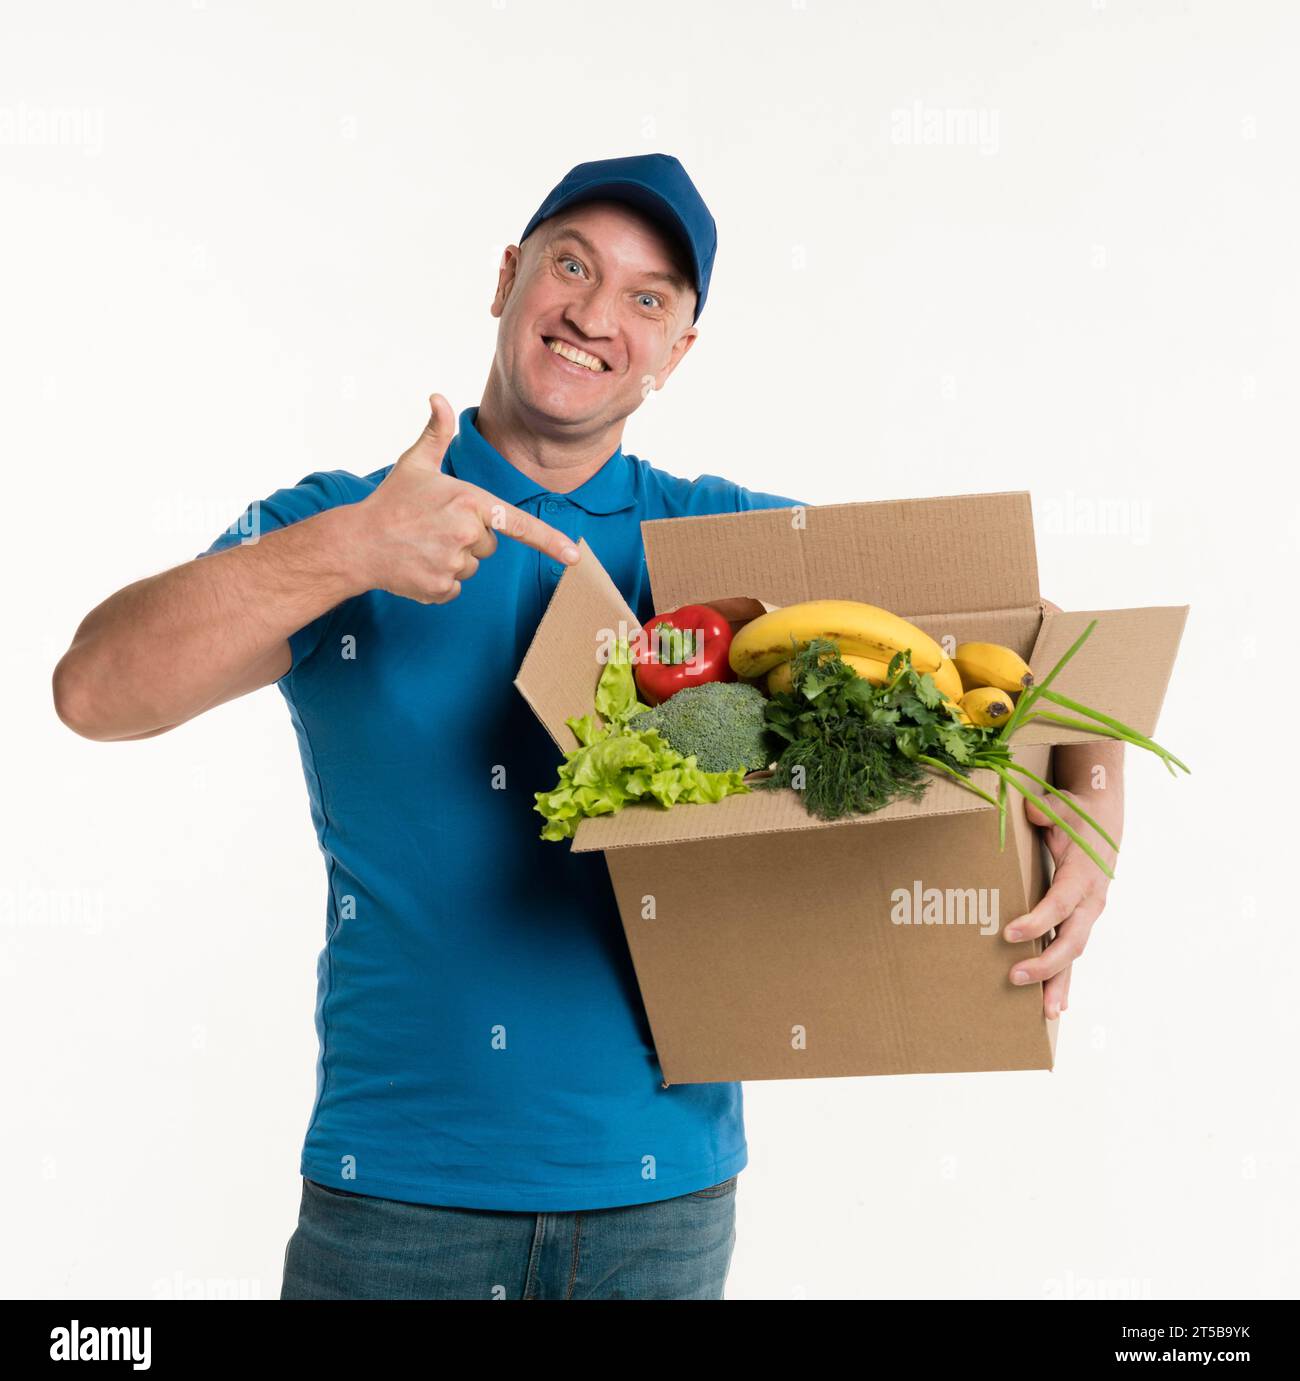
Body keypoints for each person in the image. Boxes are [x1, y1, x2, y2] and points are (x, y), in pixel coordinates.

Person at [52, 153, 1122, 1300]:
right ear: (508, 276)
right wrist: (354, 548)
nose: (595, 315)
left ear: (676, 352)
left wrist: (1092, 818)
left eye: (647, 298)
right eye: (571, 265)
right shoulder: (342, 524)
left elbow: (1034, 633)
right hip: (397, 1200)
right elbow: (98, 690)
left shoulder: (725, 546)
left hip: (660, 1207)